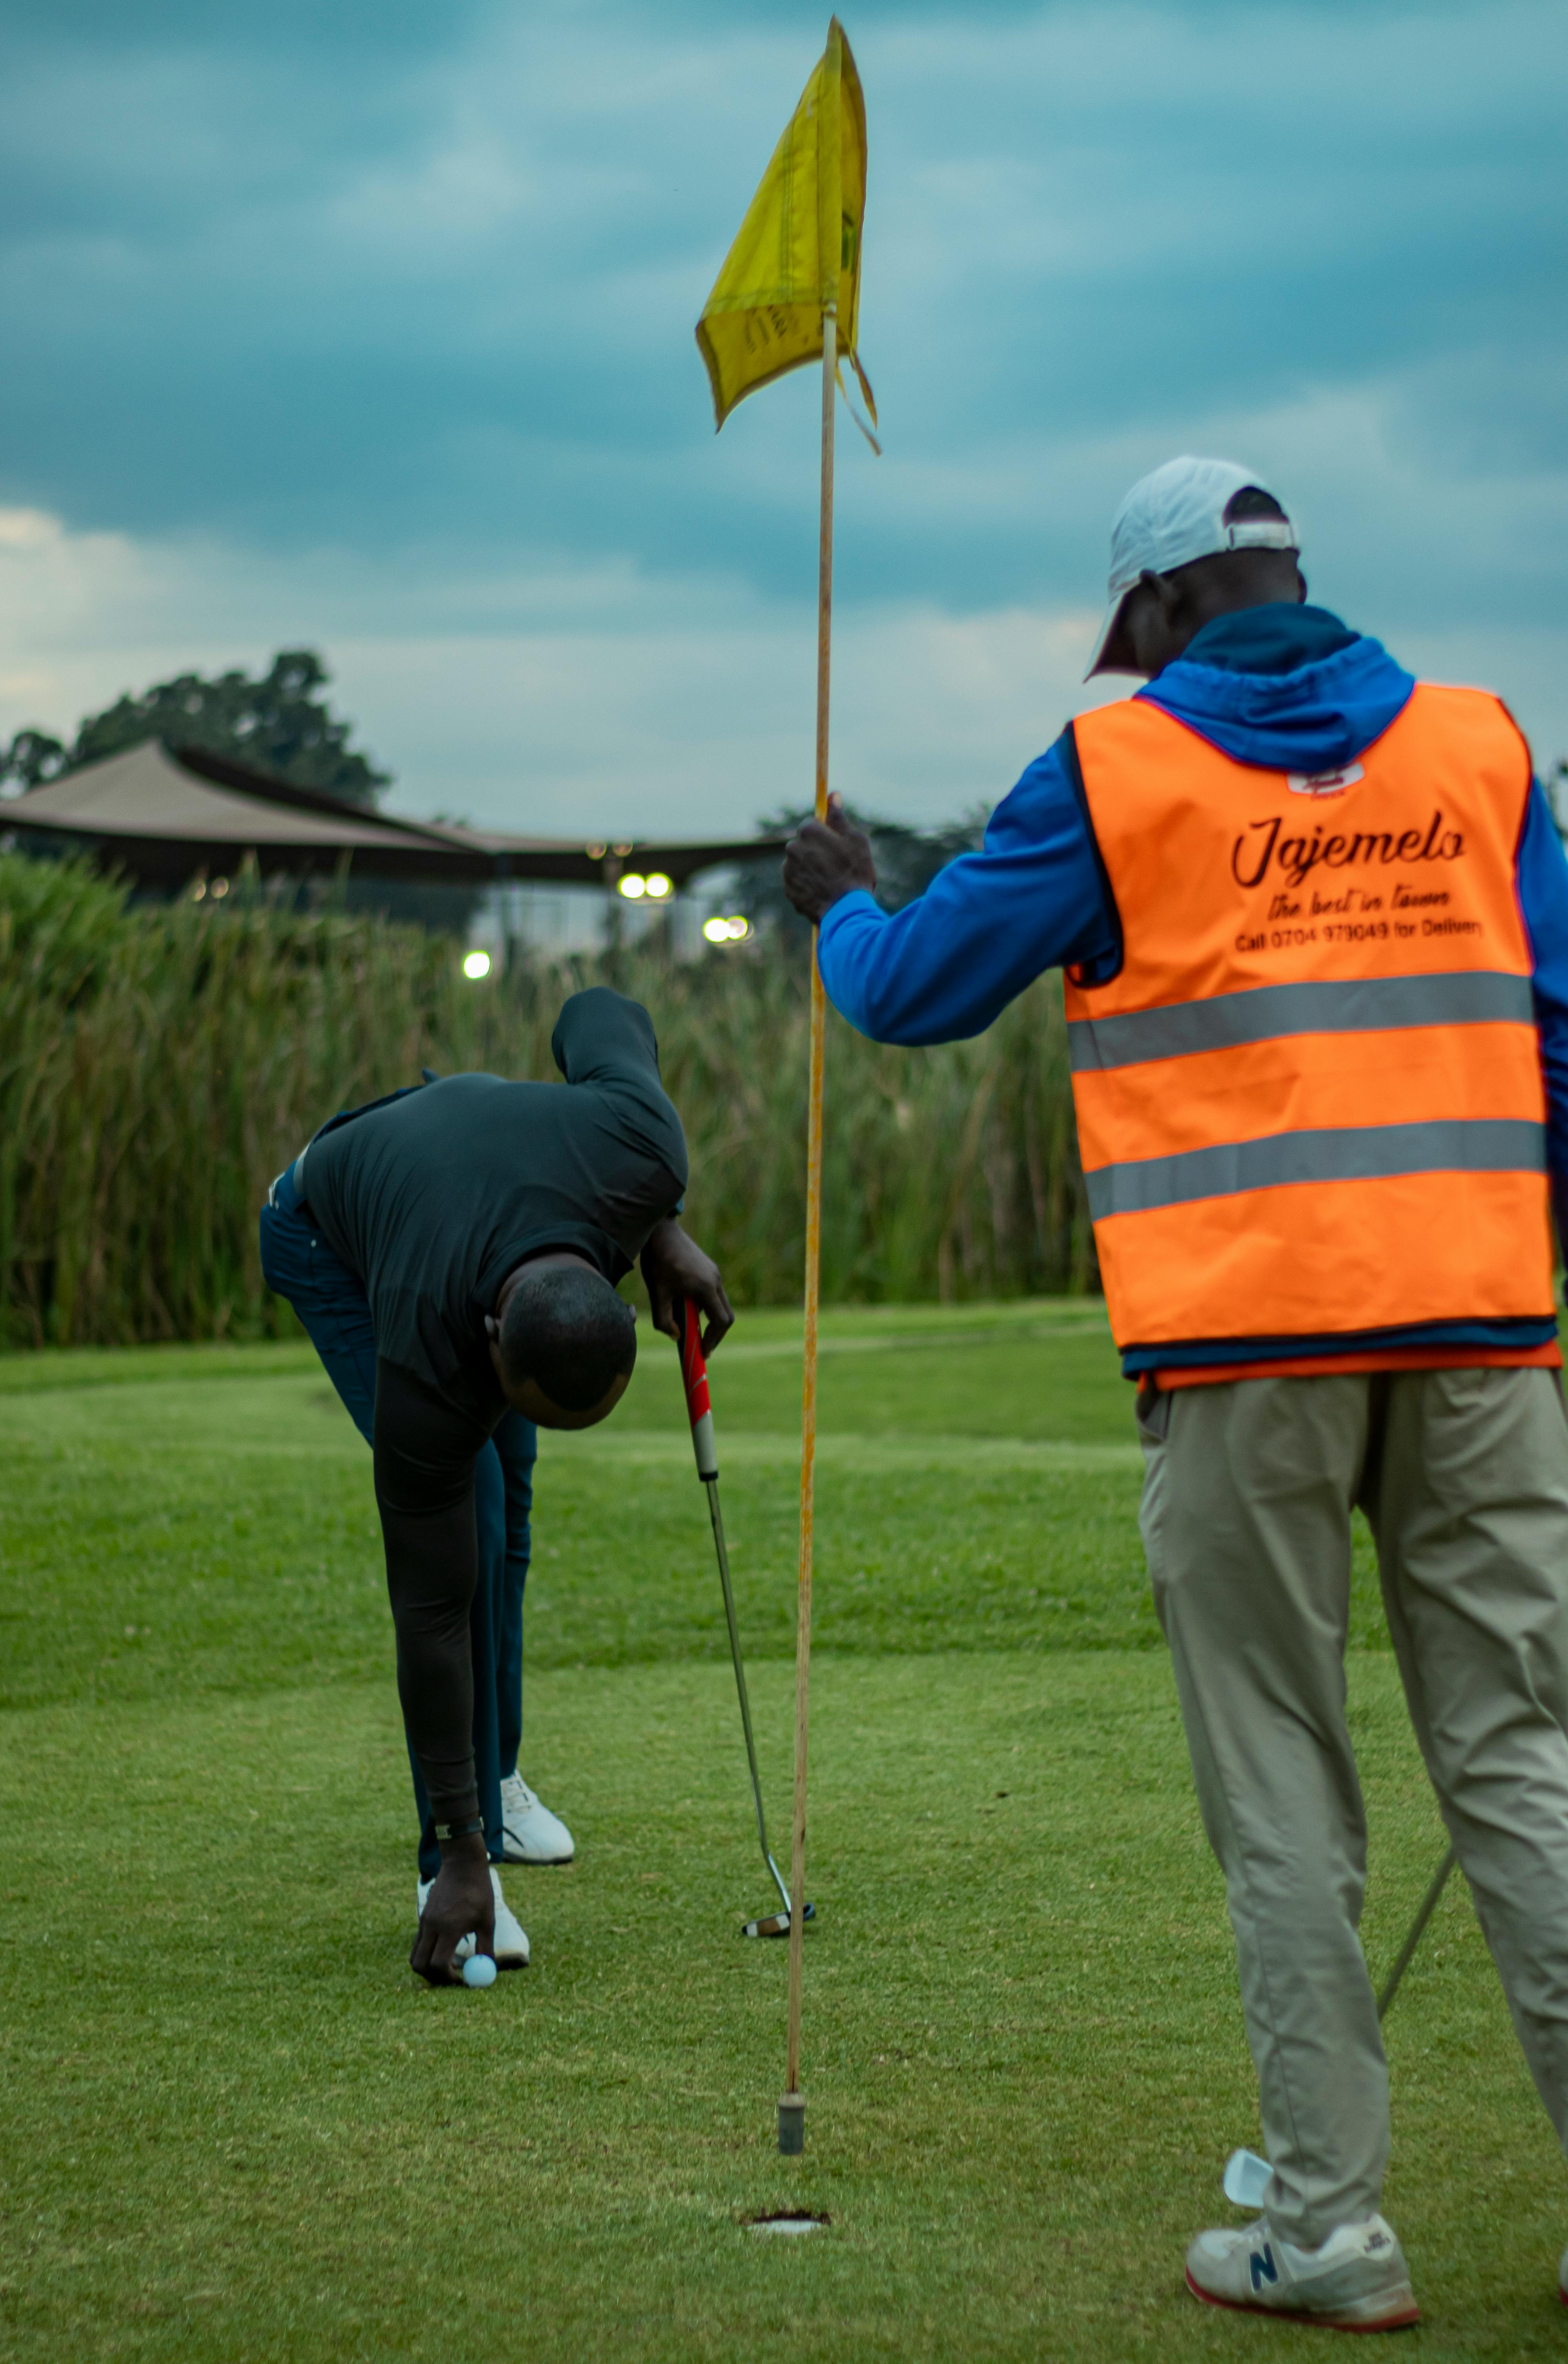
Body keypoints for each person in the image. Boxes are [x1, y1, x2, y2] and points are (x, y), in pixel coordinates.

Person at [782, 454, 1568, 2331]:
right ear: (1288, 574)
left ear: (1145, 614)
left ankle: (1328, 2226)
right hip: (1480, 1328)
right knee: (1520, 1761)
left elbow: (905, 990)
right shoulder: (1476, 746)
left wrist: (836, 901)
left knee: (1283, 1790)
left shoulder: (1113, 767)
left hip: (1241, 1351)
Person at [259, 985, 732, 1984]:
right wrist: (458, 1855)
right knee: (462, 1515)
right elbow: (427, 1612)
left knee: (510, 1506)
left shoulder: (642, 1152)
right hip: (327, 1227)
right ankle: (459, 1858)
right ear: (486, 1347)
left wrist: (660, 1230)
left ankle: (498, 1783)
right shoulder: (433, 1339)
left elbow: (599, 1008)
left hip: (479, 1198)